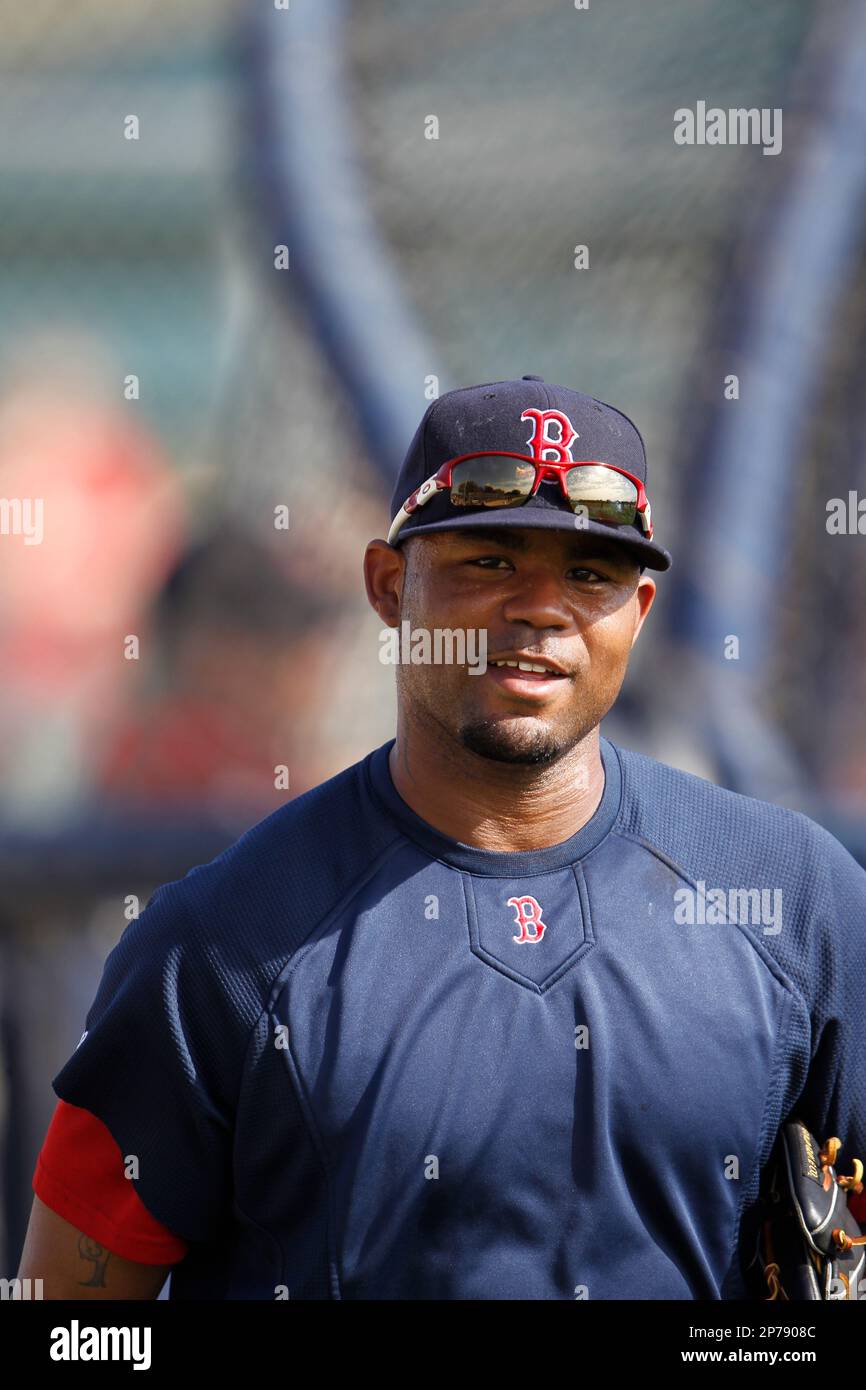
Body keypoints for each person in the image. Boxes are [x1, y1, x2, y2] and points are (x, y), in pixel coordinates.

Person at [17, 376, 866, 1300]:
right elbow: (75, 1322)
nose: (542, 608)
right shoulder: (217, 948)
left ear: (639, 614)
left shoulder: (797, 901)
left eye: (591, 575)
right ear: (390, 587)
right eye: (489, 563)